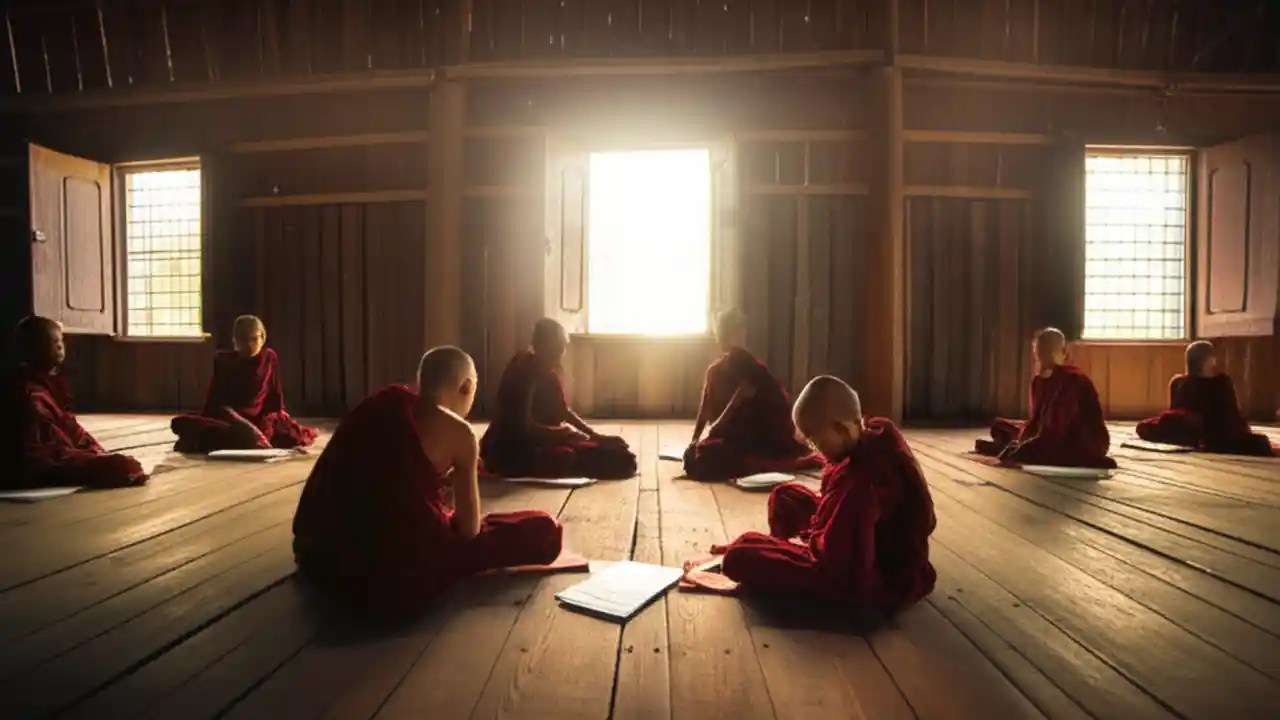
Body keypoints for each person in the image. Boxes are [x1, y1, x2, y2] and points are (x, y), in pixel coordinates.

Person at [292, 346, 563, 619]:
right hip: (395, 571)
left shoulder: (383, 403)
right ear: (467, 387)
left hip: (326, 552)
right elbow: (469, 531)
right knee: (543, 530)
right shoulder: (461, 433)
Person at [710, 376, 935, 614]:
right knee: (785, 496)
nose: (816, 450)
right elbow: (834, 505)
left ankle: (784, 562)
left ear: (841, 428)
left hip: (875, 577)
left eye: (816, 441)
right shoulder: (871, 433)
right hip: (854, 539)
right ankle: (786, 554)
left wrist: (801, 550)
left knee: (739, 557)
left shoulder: (865, 482)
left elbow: (839, 566)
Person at [480, 318, 636, 479]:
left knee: (617, 450)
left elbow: (563, 410)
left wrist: (594, 435)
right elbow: (522, 427)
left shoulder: (547, 372)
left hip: (540, 441)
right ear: (541, 344)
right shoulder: (524, 370)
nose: (561, 351)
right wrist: (562, 433)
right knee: (608, 459)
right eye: (557, 345)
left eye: (562, 346)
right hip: (511, 450)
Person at [2, 316, 145, 489]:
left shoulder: (49, 385)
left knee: (116, 463)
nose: (60, 347)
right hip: (32, 466)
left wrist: (95, 451)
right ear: (32, 348)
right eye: (53, 342)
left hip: (54, 457)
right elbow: (40, 453)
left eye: (61, 341)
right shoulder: (28, 393)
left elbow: (71, 429)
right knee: (121, 466)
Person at [684, 309, 821, 481]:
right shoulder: (714, 371)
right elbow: (707, 410)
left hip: (753, 437)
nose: (721, 339)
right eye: (721, 334)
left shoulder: (752, 369)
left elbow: (775, 405)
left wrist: (711, 433)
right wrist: (694, 440)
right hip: (726, 434)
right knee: (703, 455)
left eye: (727, 334)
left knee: (711, 457)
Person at [171, 315, 317, 453]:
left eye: (254, 339)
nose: (249, 344)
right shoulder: (224, 362)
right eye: (242, 339)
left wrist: (270, 424)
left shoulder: (269, 358)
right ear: (234, 341)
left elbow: (274, 398)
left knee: (286, 435)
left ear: (263, 338)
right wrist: (248, 428)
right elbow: (218, 404)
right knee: (189, 424)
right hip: (232, 419)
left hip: (262, 417)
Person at [974, 327, 1116, 469]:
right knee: (1000, 427)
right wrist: (1025, 438)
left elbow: (1056, 430)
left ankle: (1016, 449)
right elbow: (1036, 422)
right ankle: (1017, 448)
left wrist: (1024, 447)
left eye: (1048, 350)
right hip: (1046, 435)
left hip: (1079, 440)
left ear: (1064, 352)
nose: (1043, 355)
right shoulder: (1038, 382)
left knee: (1024, 450)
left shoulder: (1072, 380)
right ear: (1036, 352)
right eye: (1040, 350)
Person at [1135, 340, 1275, 456]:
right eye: (1211, 358)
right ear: (1206, 361)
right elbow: (1231, 416)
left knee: (1151, 426)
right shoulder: (1221, 382)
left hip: (1190, 430)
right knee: (1260, 443)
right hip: (1213, 430)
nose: (1214, 361)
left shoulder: (1177, 382)